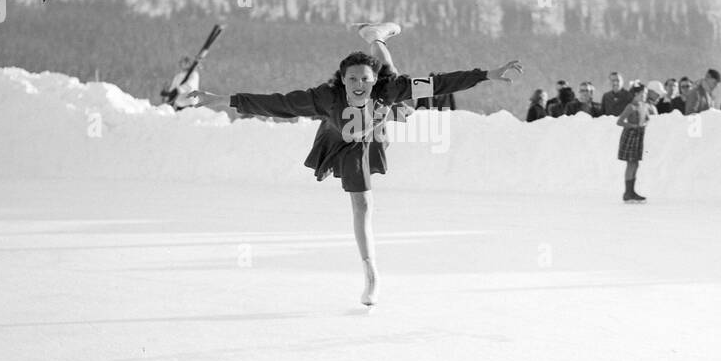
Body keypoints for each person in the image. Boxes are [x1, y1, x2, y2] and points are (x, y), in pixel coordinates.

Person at [183, 23, 523, 305]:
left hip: (375, 126)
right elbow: (278, 104)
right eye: (352, 79)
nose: (358, 85)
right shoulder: (324, 97)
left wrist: (487, 74)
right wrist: (224, 100)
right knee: (361, 203)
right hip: (345, 142)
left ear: (372, 81)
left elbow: (440, 82)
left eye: (364, 79)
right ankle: (371, 274)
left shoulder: (389, 88)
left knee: (400, 88)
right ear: (341, 80)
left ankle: (377, 37)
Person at [616, 82, 653, 203]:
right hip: (631, 135)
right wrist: (632, 125)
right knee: (631, 163)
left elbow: (647, 118)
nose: (644, 96)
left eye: (646, 94)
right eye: (642, 94)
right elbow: (620, 121)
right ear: (636, 94)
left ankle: (632, 190)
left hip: (638, 135)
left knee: (635, 163)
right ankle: (628, 192)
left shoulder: (644, 106)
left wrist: (645, 124)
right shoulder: (631, 107)